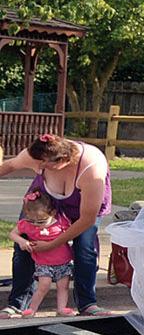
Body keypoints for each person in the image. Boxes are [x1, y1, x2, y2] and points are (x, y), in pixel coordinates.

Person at [0, 134, 112, 318]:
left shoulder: (91, 169)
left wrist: (52, 244)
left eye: (44, 165)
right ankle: (17, 303)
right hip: (44, 201)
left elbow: (87, 219)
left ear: (63, 160)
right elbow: (10, 165)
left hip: (81, 208)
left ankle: (87, 303)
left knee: (84, 248)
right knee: (23, 247)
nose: (38, 168)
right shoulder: (39, 153)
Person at [9, 190, 75, 317]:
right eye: (31, 221)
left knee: (63, 286)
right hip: (43, 262)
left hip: (63, 261)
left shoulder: (61, 223)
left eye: (41, 221)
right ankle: (32, 309)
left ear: (53, 213)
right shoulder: (26, 225)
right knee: (43, 286)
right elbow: (12, 234)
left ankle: (61, 308)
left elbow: (71, 233)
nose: (36, 225)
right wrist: (22, 241)